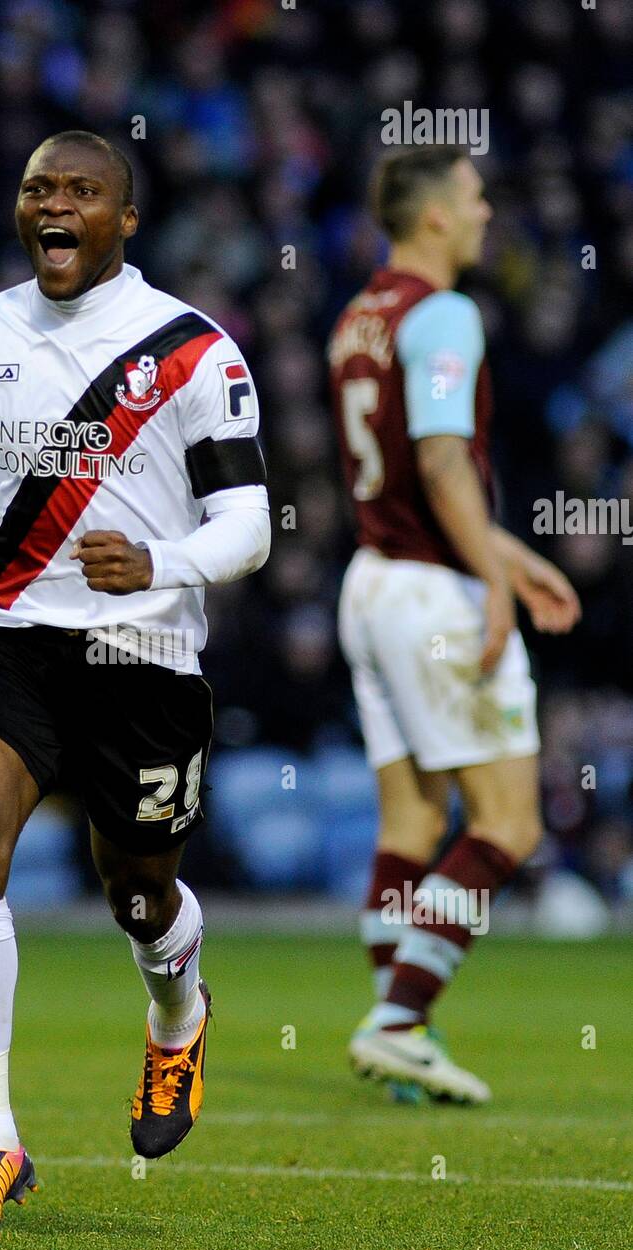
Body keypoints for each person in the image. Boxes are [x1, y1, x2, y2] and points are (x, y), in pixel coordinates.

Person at [0, 130, 270, 1250]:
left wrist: (155, 564)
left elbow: (249, 526)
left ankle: (177, 1012)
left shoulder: (194, 352)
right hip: (6, 632)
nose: (52, 206)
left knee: (137, 890)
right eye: (35, 189)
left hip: (141, 650)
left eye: (80, 192)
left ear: (123, 219)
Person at [327, 145, 581, 1104]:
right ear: (434, 215)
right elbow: (440, 466)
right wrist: (497, 586)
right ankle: (398, 1020)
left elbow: (402, 484)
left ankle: (403, 1037)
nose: (485, 214)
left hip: (371, 581)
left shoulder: (359, 319)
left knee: (412, 819)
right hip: (434, 596)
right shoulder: (446, 314)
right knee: (508, 824)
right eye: (475, 198)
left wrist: (514, 558)